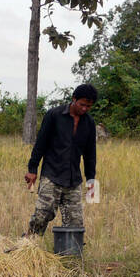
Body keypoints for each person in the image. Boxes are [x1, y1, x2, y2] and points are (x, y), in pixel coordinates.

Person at [23, 83, 99, 239]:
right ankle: (27, 248)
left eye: (89, 106)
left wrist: (91, 180)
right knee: (42, 215)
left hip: (73, 179)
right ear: (74, 99)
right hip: (52, 174)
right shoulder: (54, 115)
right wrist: (32, 169)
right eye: (82, 104)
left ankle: (71, 256)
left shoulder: (89, 123)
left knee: (75, 223)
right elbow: (40, 144)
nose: (85, 109)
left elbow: (90, 154)